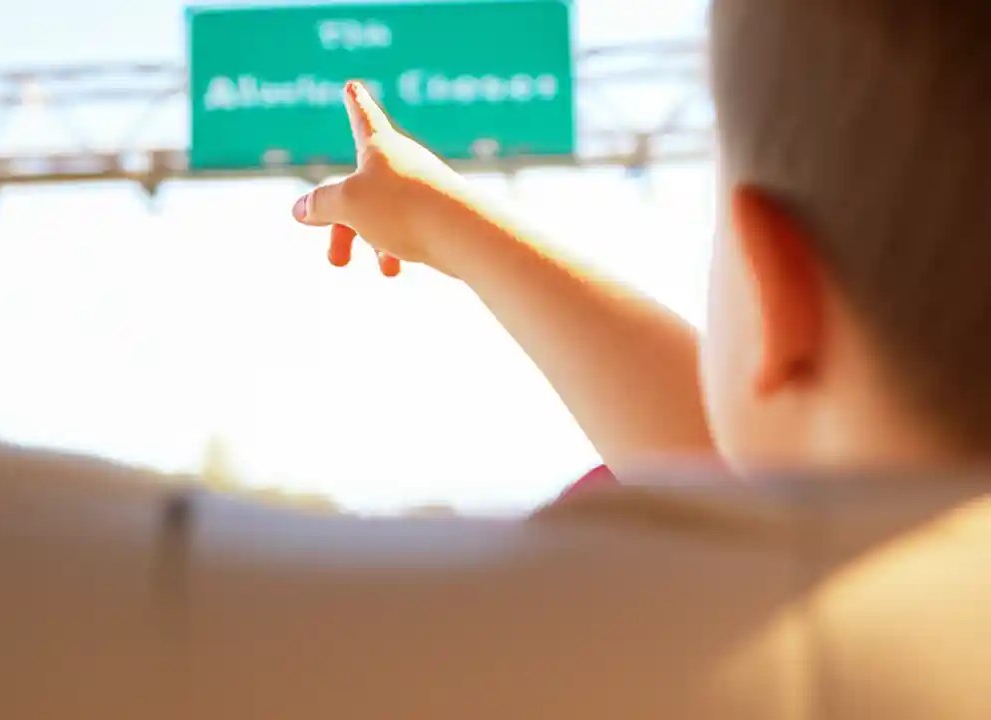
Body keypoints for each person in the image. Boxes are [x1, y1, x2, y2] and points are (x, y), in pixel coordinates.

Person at [290, 0, 991, 508]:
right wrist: (447, 221)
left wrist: (451, 226)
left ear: (772, 284)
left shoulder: (744, 615)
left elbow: (711, 466)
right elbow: (721, 454)